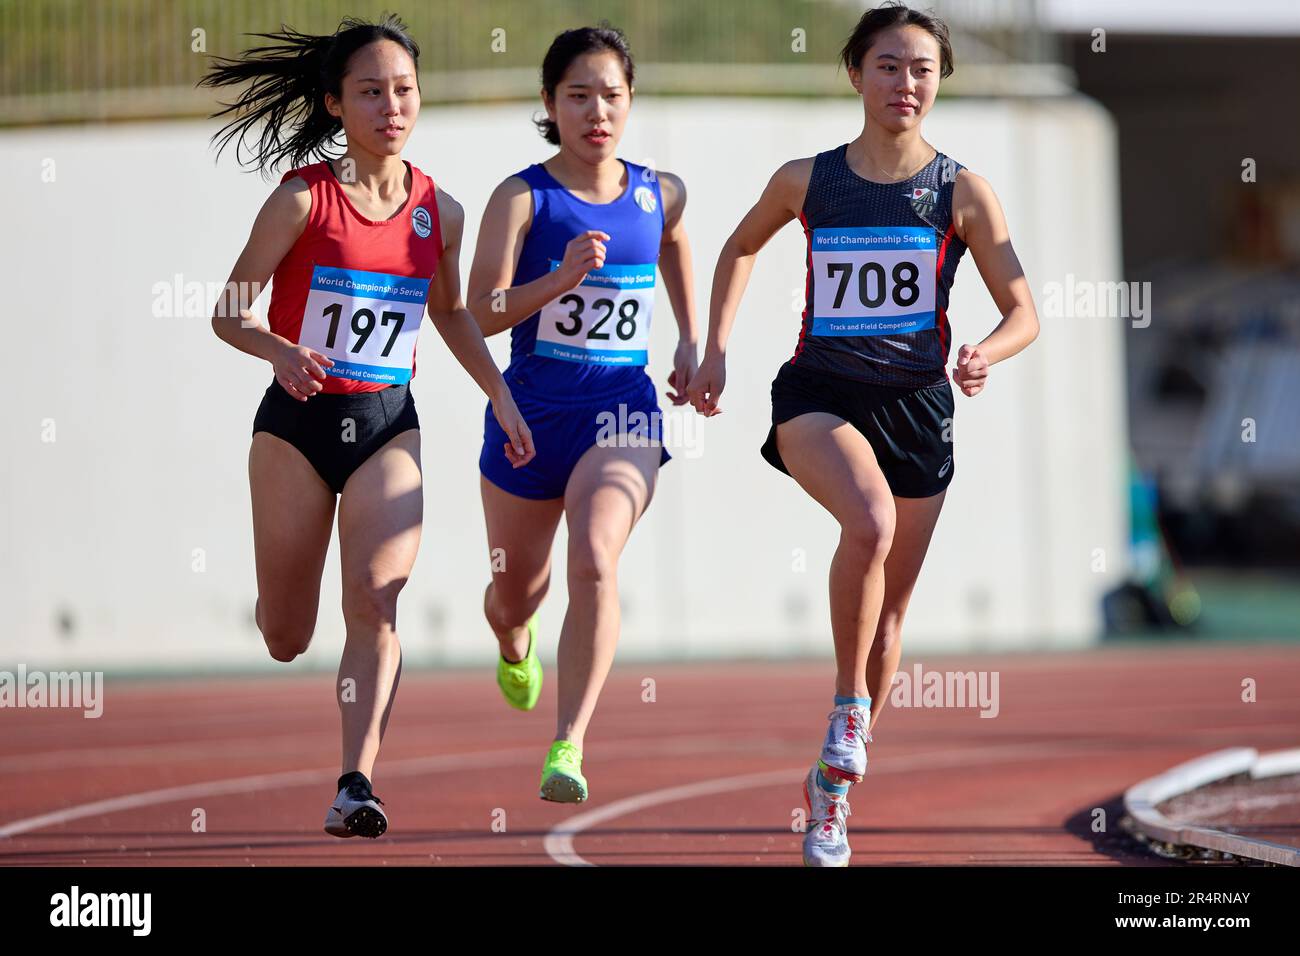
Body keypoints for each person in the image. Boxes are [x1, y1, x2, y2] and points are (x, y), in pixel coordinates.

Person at [687, 2, 1040, 865]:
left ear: (938, 81)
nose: (905, 83)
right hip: (820, 394)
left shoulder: (962, 191)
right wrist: (716, 350)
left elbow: (1023, 309)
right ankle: (849, 708)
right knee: (869, 523)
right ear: (855, 74)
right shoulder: (807, 179)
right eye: (888, 66)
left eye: (921, 68)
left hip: (919, 407)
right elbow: (738, 249)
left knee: (891, 623)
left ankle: (833, 795)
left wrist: (985, 351)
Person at [202, 15, 534, 837]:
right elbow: (226, 312)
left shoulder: (440, 212)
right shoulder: (299, 200)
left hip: (388, 423)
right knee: (286, 633)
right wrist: (276, 347)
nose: (391, 105)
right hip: (295, 427)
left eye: (403, 89)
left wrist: (500, 392)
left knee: (378, 595)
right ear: (335, 104)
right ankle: (279, 606)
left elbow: (451, 312)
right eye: (370, 91)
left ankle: (357, 782)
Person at [466, 25, 698, 802]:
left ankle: (568, 745)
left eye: (612, 95)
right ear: (549, 104)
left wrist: (696, 338)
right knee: (516, 593)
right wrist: (559, 280)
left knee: (596, 556)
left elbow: (675, 240)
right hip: (530, 415)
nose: (598, 111)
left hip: (621, 412)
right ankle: (510, 638)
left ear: (630, 101)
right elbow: (482, 311)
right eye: (579, 96)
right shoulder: (523, 196)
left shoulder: (657, 189)